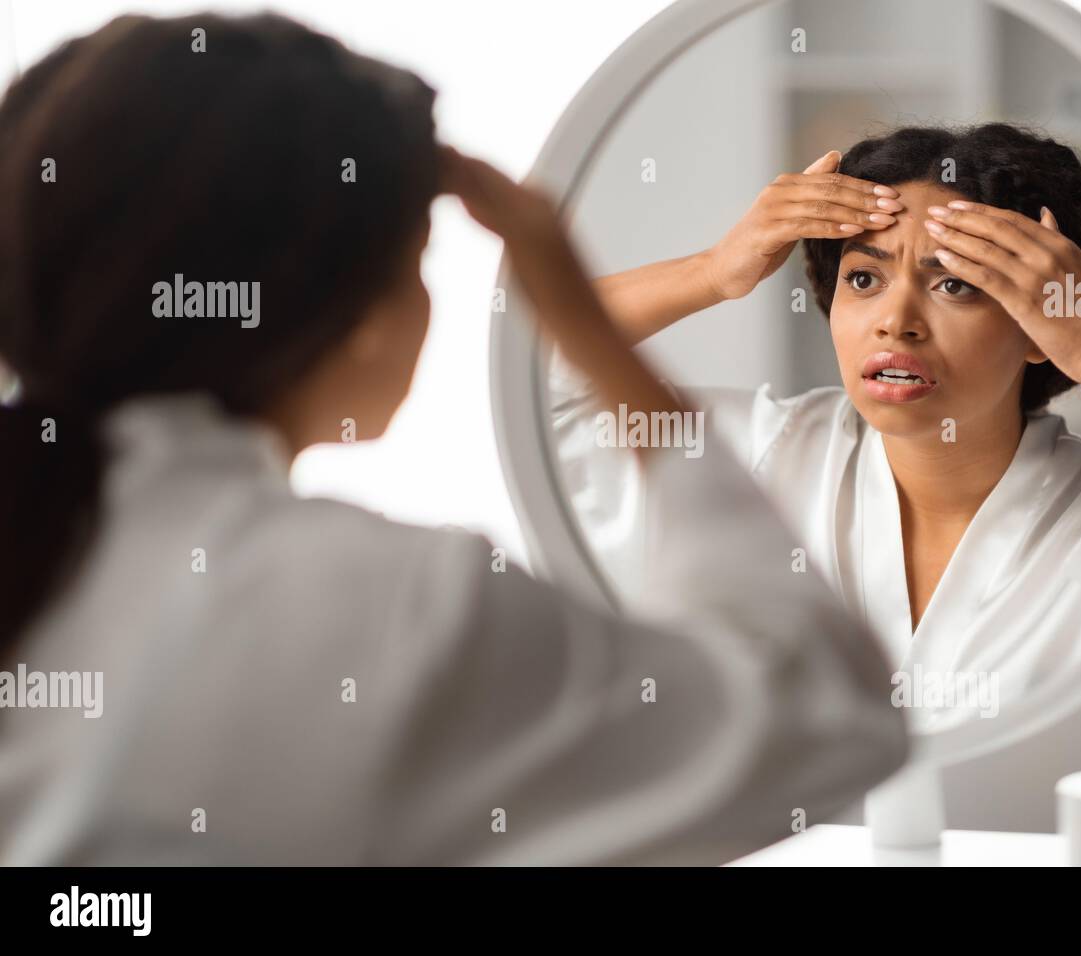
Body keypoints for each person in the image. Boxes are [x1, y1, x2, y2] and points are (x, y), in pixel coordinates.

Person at [0, 12, 907, 865]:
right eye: (418, 259)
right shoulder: (396, 609)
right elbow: (825, 719)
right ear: (364, 313)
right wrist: (599, 291)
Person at [553, 125, 1081, 728]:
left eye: (954, 285)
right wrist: (712, 272)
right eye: (863, 277)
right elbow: (530, 376)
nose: (896, 320)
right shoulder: (756, 456)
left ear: (1039, 326)